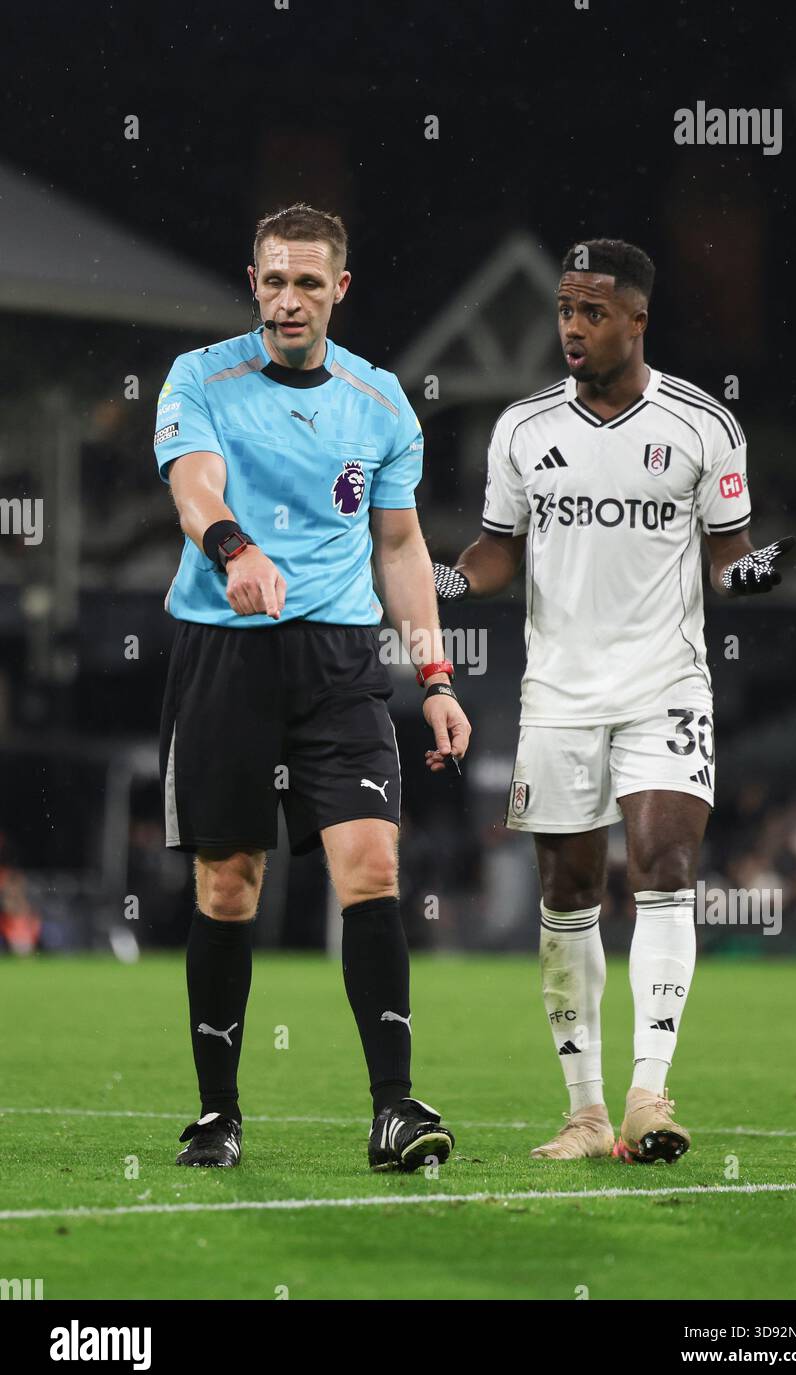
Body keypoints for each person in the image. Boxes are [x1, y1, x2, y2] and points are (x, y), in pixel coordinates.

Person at [433, 238, 793, 1163]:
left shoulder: (705, 425)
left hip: (664, 683)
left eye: (592, 312)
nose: (572, 328)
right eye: (564, 310)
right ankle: (586, 1114)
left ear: (637, 319)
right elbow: (499, 547)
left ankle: (649, 1096)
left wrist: (748, 574)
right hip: (556, 694)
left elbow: (727, 551)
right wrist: (449, 581)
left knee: (665, 864)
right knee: (568, 890)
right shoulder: (519, 429)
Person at [155, 203, 470, 1171]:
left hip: (339, 659)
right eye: (272, 280)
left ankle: (394, 1108)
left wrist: (435, 674)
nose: (287, 299)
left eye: (307, 282)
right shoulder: (199, 377)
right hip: (224, 650)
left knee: (372, 866)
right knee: (228, 882)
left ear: (340, 289)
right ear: (252, 282)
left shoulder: (379, 404)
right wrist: (232, 546)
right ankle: (218, 1114)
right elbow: (193, 486)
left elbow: (402, 545)